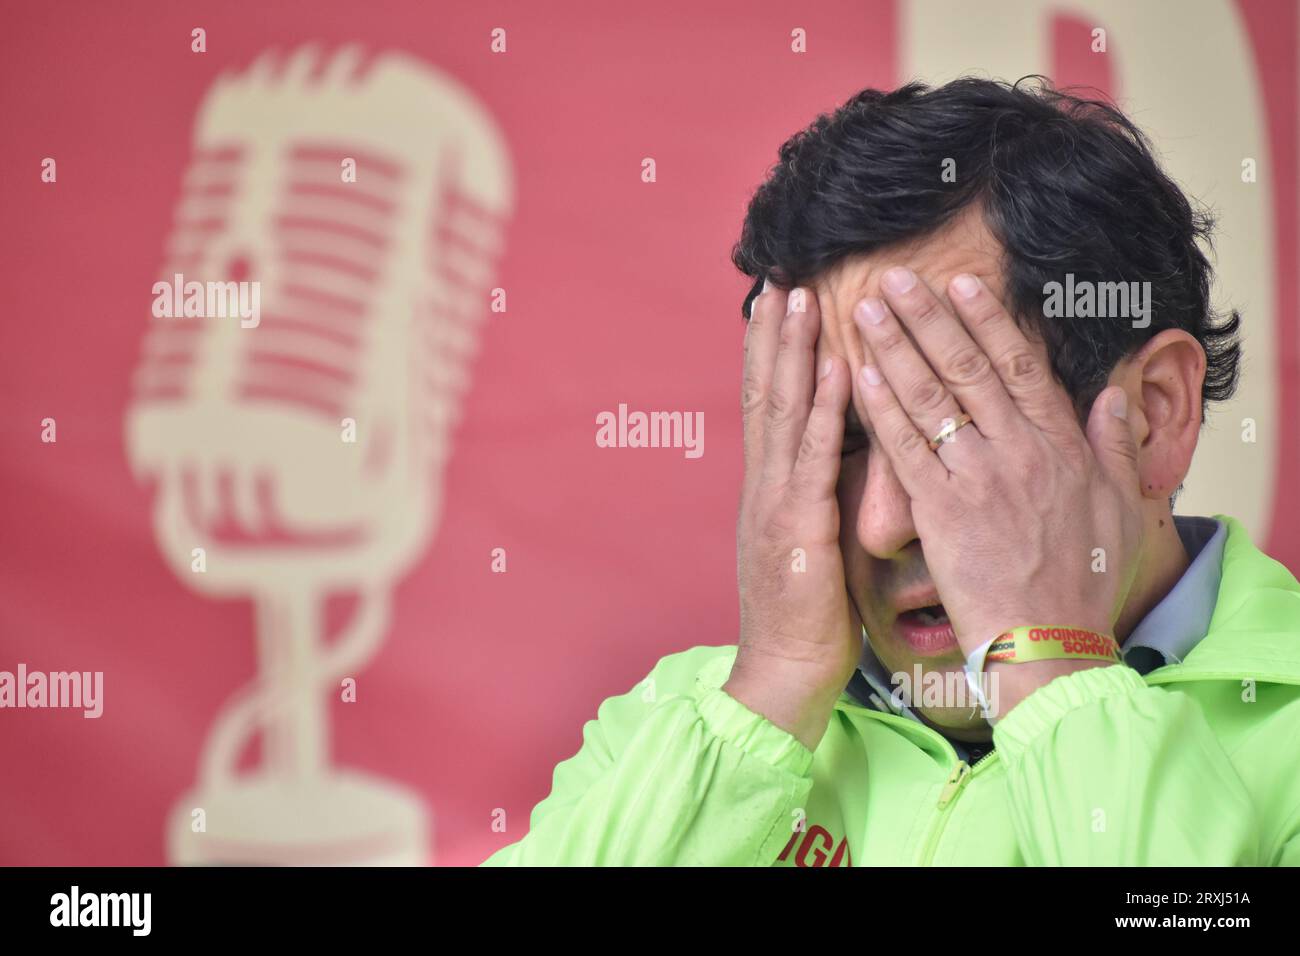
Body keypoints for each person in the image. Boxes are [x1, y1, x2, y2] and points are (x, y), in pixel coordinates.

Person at [482, 76, 1300, 866]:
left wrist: (1056, 673)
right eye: (836, 446)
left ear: (1156, 412)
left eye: (948, 429)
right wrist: (770, 701)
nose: (880, 524)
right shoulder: (688, 720)